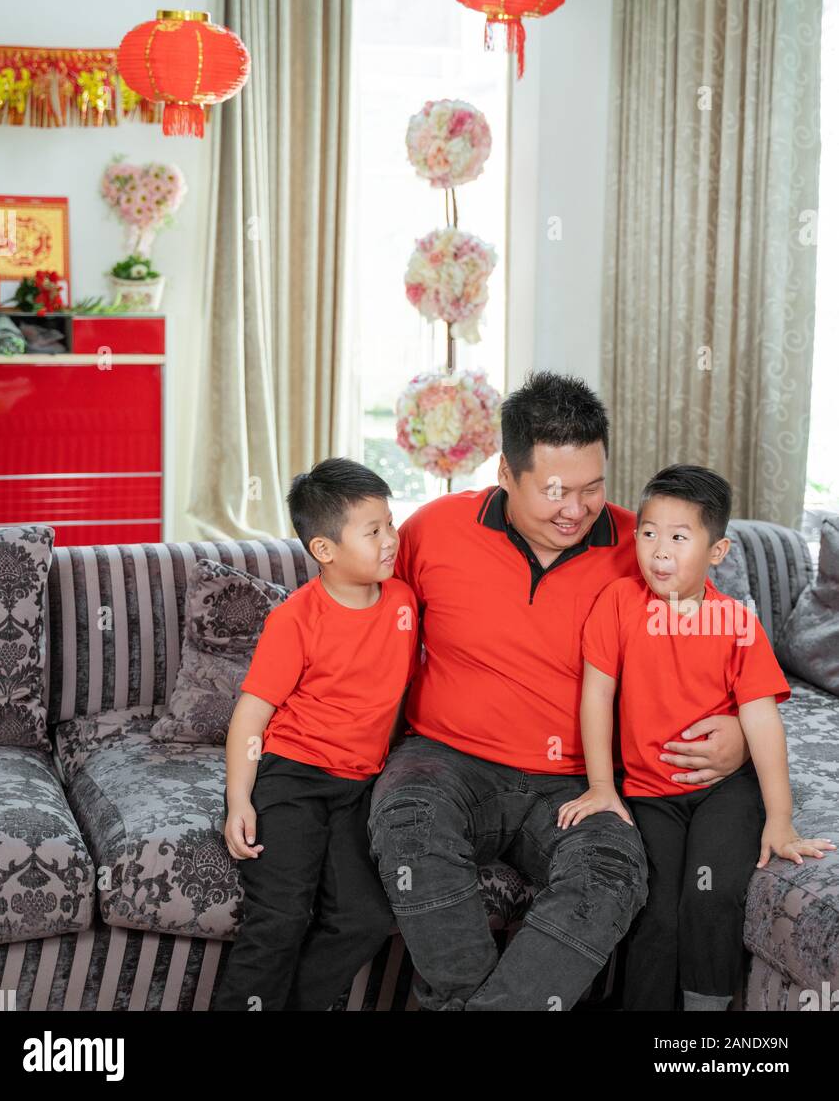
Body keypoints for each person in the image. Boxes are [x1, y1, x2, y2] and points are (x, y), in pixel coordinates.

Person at [368, 372, 751, 1012]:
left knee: (614, 873)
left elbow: (720, 648)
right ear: (506, 475)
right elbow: (361, 624)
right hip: (447, 761)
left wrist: (738, 731)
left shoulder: (645, 547)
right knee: (408, 826)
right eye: (554, 492)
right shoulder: (432, 531)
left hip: (576, 782)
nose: (576, 509)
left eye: (592, 488)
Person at [561, 463, 836, 1011]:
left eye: (679, 537)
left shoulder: (737, 623)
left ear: (718, 552)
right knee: (656, 909)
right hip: (649, 794)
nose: (659, 551)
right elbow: (597, 696)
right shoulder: (617, 604)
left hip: (724, 792)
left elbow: (762, 722)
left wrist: (780, 819)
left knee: (709, 896)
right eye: (649, 533)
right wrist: (600, 785)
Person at [212, 458, 419, 1012]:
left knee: (366, 917)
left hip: (359, 788)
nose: (391, 540)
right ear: (324, 550)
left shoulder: (403, 603)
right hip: (292, 777)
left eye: (391, 524)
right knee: (280, 915)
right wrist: (238, 801)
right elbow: (250, 718)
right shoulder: (296, 620)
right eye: (372, 531)